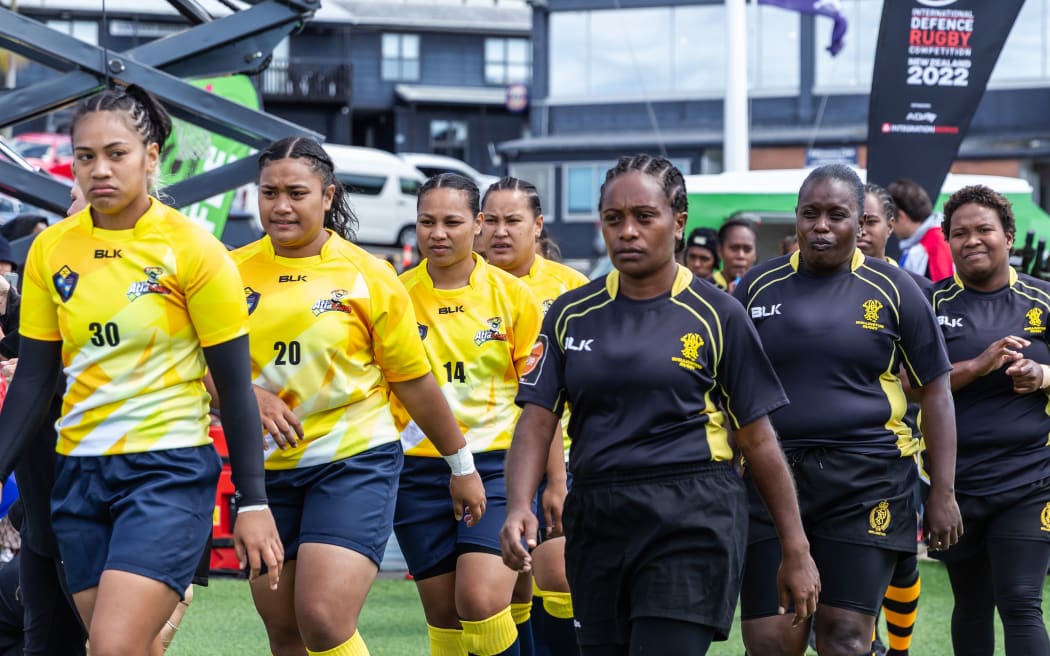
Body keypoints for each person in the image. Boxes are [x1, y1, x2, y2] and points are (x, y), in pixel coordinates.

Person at [0, 84, 284, 656]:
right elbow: (32, 382)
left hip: (167, 475)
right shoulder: (50, 251)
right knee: (127, 649)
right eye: (85, 156)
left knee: (110, 646)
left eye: (116, 153)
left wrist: (252, 501)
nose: (99, 169)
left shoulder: (195, 250)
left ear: (151, 156)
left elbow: (232, 383)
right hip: (76, 479)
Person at [501, 154, 819, 656]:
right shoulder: (570, 313)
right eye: (614, 219)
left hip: (692, 511)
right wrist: (519, 504)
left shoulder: (720, 315)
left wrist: (795, 549)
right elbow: (538, 419)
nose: (627, 232)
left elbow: (758, 439)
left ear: (678, 223)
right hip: (598, 514)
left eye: (644, 217)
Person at [230, 137, 485, 656]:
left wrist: (461, 466)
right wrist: (245, 394)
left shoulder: (370, 274)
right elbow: (199, 361)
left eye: (296, 192)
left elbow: (414, 380)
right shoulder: (226, 269)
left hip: (353, 460)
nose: (280, 205)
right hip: (265, 469)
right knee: (285, 631)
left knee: (322, 618)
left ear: (328, 196)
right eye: (269, 192)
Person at [734, 164, 962, 656]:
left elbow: (937, 392)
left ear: (860, 223)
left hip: (867, 480)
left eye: (836, 215)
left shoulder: (897, 289)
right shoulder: (754, 288)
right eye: (810, 214)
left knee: (844, 637)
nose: (821, 226)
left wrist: (942, 491)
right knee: (772, 639)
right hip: (771, 480)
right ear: (795, 219)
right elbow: (728, 389)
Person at [391, 173, 542, 656]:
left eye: (452, 221)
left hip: (498, 467)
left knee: (478, 602)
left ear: (476, 224)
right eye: (426, 222)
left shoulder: (513, 296)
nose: (438, 233)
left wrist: (552, 480)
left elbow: (542, 401)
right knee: (446, 621)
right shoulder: (393, 294)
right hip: (416, 472)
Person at [929, 184, 1050, 655]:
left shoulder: (1042, 299)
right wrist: (978, 366)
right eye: (960, 233)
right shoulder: (931, 304)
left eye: (985, 229)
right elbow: (911, 384)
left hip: (1030, 478)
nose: (972, 240)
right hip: (955, 485)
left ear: (1009, 236)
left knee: (1021, 600)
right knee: (972, 603)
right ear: (948, 242)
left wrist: (1041, 374)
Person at [478, 177, 589, 656]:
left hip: (560, 461)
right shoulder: (464, 283)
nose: (501, 232)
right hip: (488, 462)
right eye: (492, 221)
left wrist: (562, 479)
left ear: (538, 226)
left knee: (558, 576)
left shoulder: (570, 289)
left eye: (513, 221)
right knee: (508, 590)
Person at [858, 181, 926, 656]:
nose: (860, 231)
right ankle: (869, 641)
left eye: (870, 221)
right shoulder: (818, 286)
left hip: (900, 449)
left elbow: (934, 379)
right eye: (854, 220)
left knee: (901, 559)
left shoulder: (915, 290)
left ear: (890, 226)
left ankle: (897, 649)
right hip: (835, 455)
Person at [888, 178, 953, 282]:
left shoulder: (924, 250)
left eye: (891, 220)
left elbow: (943, 295)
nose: (891, 228)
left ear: (901, 216)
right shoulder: (946, 234)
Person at [712, 214, 757, 292]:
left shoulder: (764, 289)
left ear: (755, 254)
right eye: (734, 248)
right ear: (720, 251)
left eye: (747, 249)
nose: (741, 256)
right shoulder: (704, 289)